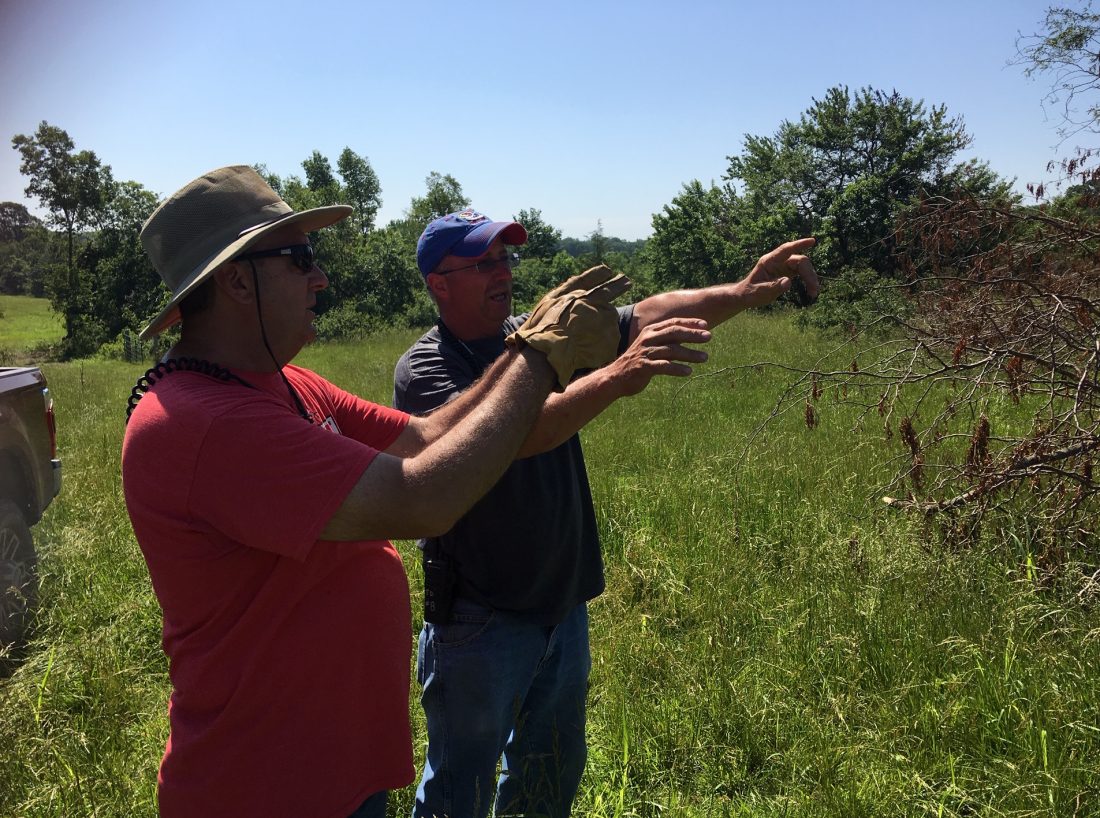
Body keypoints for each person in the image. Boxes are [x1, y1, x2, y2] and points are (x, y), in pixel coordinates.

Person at [120, 167, 626, 818]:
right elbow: (424, 498)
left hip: (337, 770)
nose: (321, 277)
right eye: (300, 259)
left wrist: (528, 348)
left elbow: (429, 434)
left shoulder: (290, 384)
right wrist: (538, 359)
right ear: (237, 280)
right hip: (265, 785)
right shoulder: (204, 421)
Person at [394, 209, 819, 818]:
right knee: (459, 786)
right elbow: (513, 434)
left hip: (561, 604)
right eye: (482, 262)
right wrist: (616, 375)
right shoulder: (429, 367)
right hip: (479, 615)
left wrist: (745, 290)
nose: (503, 273)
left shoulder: (532, 333)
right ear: (439, 283)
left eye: (504, 258)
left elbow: (645, 312)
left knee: (550, 770)